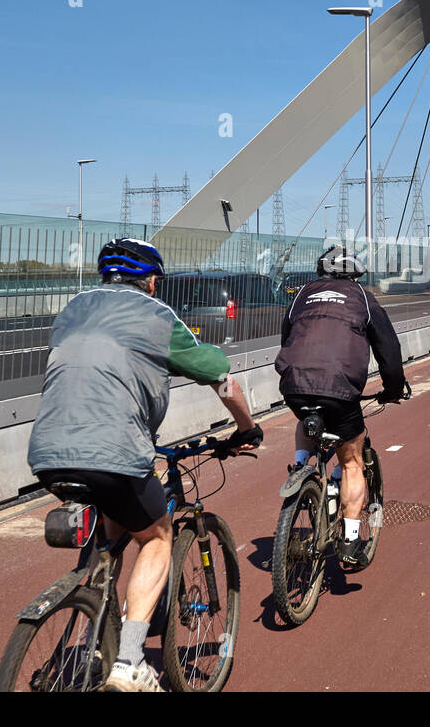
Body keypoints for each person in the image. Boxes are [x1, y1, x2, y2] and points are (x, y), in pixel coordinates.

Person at [26, 237, 263, 692]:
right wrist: (246, 429)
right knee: (156, 536)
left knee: (110, 534)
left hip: (47, 451)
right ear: (151, 279)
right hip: (114, 449)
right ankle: (130, 662)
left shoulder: (73, 309)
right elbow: (222, 376)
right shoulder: (157, 315)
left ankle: (96, 629)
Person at [274, 246, 408, 566]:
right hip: (338, 390)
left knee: (307, 414)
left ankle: (301, 465)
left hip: (294, 384)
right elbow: (387, 346)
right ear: (354, 275)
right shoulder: (361, 297)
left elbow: (289, 339)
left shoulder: (302, 294)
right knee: (351, 462)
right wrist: (392, 388)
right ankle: (349, 541)